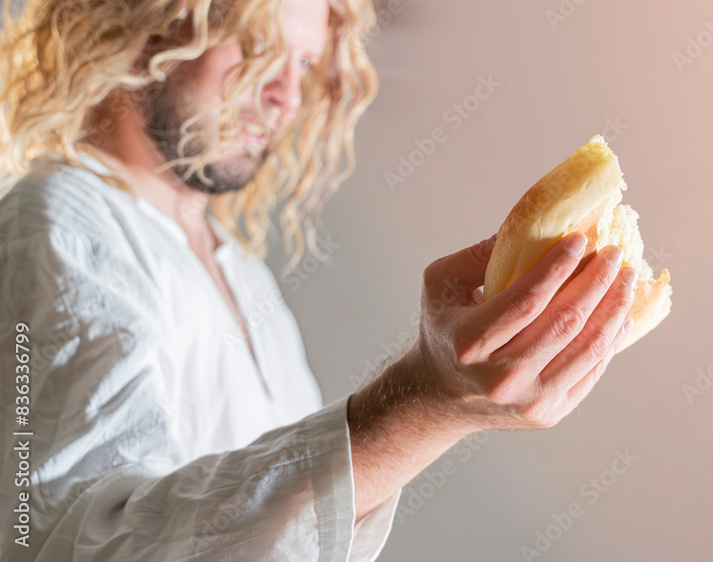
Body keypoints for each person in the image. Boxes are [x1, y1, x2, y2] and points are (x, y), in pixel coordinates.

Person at [0, 0, 638, 559]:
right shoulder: (58, 218)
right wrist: (426, 401)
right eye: (258, 49)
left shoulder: (243, 276)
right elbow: (60, 547)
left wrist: (442, 400)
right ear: (142, 23)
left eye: (304, 65)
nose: (286, 96)